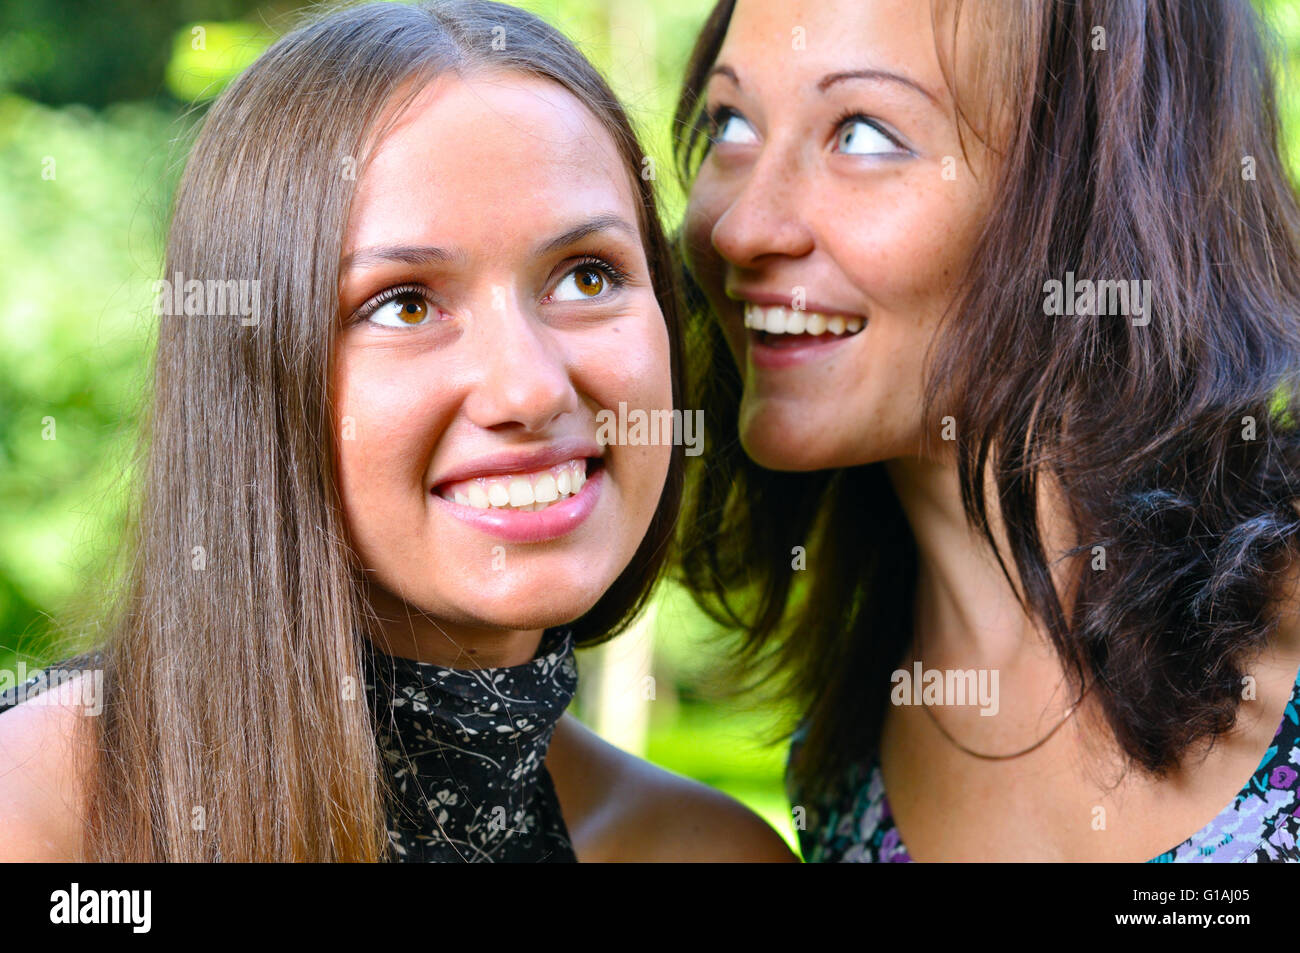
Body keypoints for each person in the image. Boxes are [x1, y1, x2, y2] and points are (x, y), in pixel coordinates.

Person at [0, 0, 794, 863]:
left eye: (587, 277)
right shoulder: (40, 822)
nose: (528, 387)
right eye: (405, 303)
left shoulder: (711, 850)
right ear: (253, 376)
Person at [674, 0, 1300, 861]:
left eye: (861, 134)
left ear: (1097, 191)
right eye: (731, 123)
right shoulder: (842, 753)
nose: (741, 226)